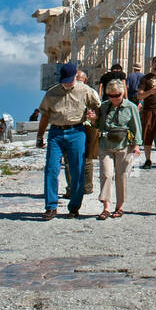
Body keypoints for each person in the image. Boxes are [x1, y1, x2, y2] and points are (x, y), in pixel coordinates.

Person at [36, 62, 100, 220]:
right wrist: (40, 136)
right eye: (64, 80)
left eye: (69, 80)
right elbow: (44, 116)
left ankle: (74, 207)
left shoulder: (85, 90)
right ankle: (51, 207)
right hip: (56, 133)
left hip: (76, 131)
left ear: (75, 77)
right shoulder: (52, 93)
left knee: (77, 170)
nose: (66, 83)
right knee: (51, 168)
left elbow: (97, 106)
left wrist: (94, 117)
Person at [95, 79, 141, 220]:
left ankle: (119, 206)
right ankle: (106, 207)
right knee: (106, 174)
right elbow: (99, 125)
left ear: (123, 93)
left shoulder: (130, 107)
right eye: (111, 95)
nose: (114, 98)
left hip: (123, 146)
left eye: (117, 95)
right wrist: (92, 119)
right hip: (105, 145)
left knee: (121, 176)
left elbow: (136, 126)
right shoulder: (104, 107)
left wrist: (137, 145)